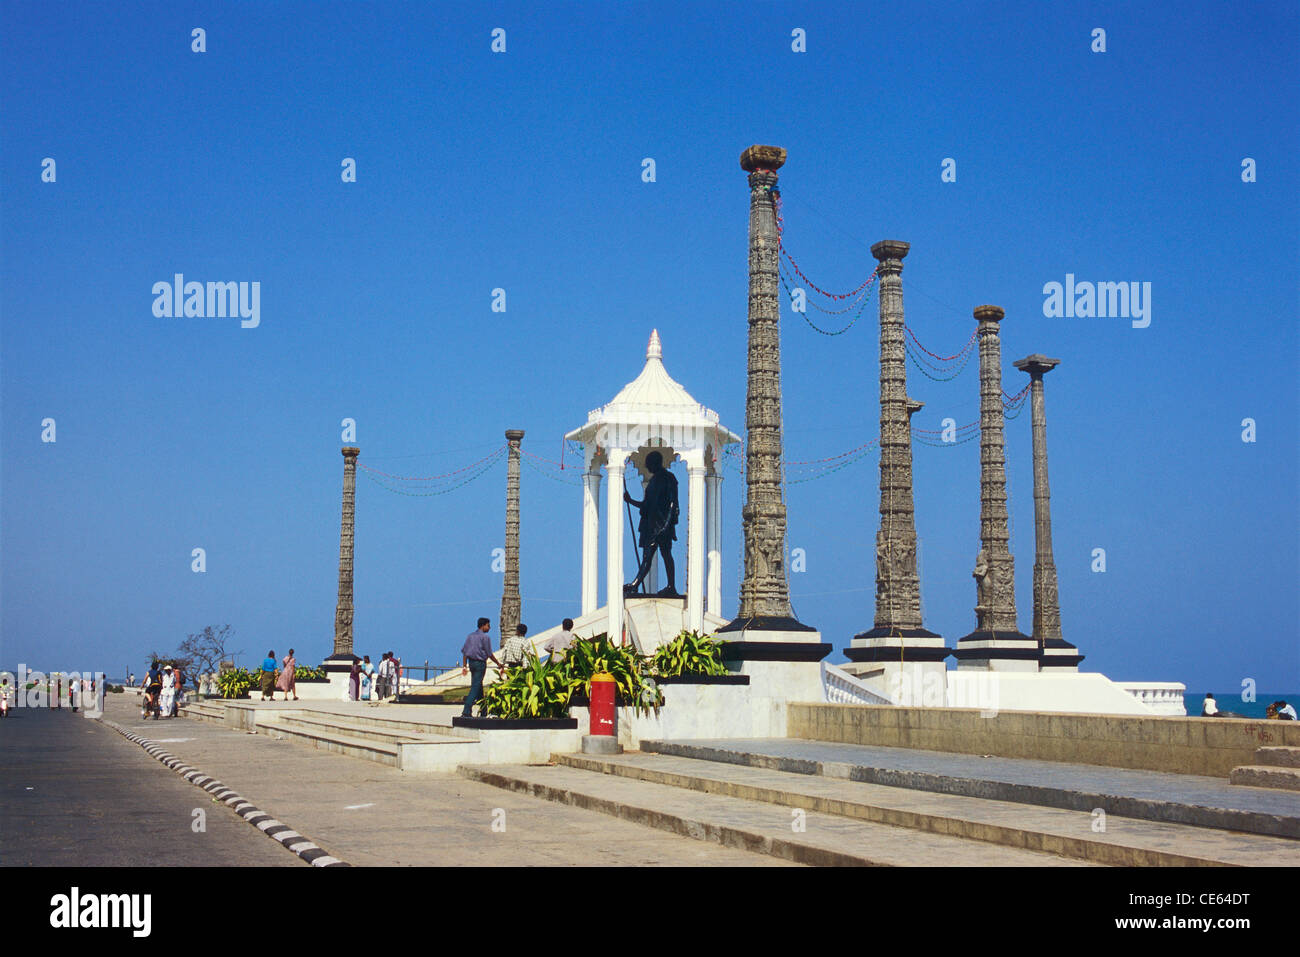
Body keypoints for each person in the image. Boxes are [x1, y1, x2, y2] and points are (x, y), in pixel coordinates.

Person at [623, 451, 680, 597]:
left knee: (666, 554)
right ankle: (636, 584)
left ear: (655, 463)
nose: (647, 468)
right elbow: (646, 506)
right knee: (648, 556)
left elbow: (674, 504)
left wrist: (667, 525)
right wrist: (630, 501)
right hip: (652, 526)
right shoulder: (653, 482)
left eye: (649, 464)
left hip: (663, 525)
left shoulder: (669, 478)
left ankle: (671, 586)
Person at [461, 618, 501, 717]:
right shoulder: (485, 638)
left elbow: (465, 652)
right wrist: (498, 663)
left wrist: (465, 666)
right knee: (475, 686)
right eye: (488, 625)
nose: (489, 627)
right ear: (483, 626)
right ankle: (466, 710)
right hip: (480, 664)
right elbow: (489, 653)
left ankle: (483, 710)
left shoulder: (470, 636)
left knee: (478, 686)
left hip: (471, 663)